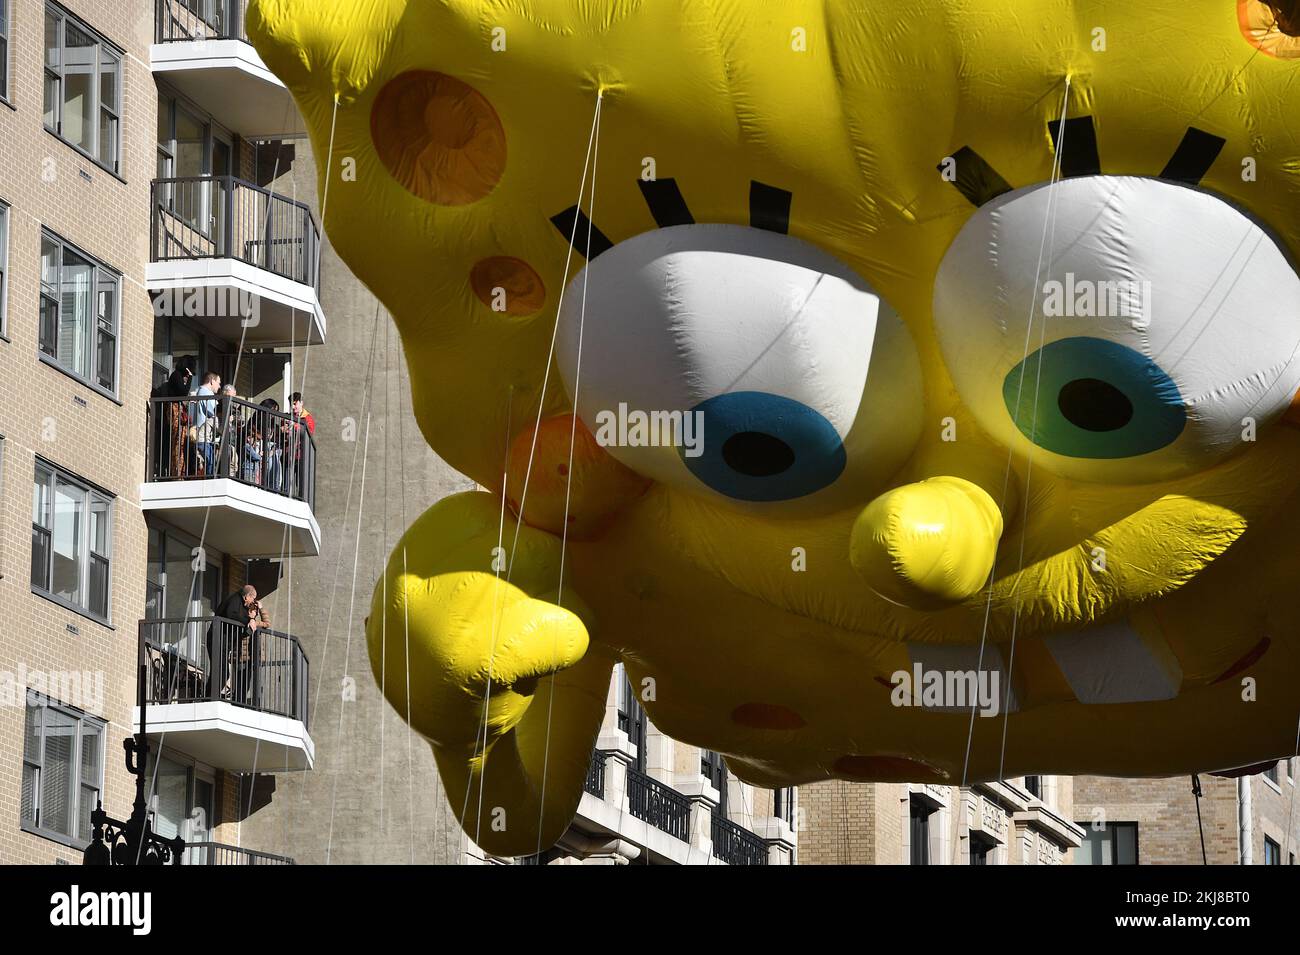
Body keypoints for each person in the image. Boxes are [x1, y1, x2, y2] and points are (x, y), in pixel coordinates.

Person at [207, 585, 257, 701]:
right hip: (217, 639)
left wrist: (251, 621)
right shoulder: (234, 599)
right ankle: (210, 698)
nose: (253, 602)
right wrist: (248, 621)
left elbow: (242, 628)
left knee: (221, 672)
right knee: (221, 671)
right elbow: (231, 614)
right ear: (247, 596)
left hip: (224, 642)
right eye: (253, 598)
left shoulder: (243, 607)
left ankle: (209, 697)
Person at [149, 358, 194, 480]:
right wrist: (190, 378)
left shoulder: (178, 376)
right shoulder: (176, 375)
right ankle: (176, 473)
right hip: (174, 412)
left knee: (180, 444)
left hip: (177, 411)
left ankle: (179, 472)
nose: (186, 378)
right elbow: (183, 392)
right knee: (176, 443)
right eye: (187, 375)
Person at [191, 372, 222, 477]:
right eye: (218, 383)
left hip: (203, 434)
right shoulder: (206, 393)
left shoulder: (201, 391)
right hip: (203, 435)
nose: (219, 386)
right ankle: (209, 481)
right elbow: (213, 412)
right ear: (212, 381)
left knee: (209, 461)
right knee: (210, 462)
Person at [289, 392, 315, 499]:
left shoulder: (307, 418)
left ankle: (300, 500)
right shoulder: (289, 416)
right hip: (289, 454)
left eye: (295, 404)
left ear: (301, 403)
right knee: (287, 480)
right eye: (291, 404)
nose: (293, 406)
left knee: (301, 482)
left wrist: (294, 426)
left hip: (301, 455)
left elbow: (307, 433)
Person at [260, 398, 286, 492]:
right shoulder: (258, 420)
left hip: (272, 450)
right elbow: (253, 432)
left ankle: (274, 487)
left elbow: (277, 438)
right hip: (262, 448)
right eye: (273, 410)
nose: (274, 414)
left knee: (276, 467)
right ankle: (269, 487)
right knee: (270, 465)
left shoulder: (273, 424)